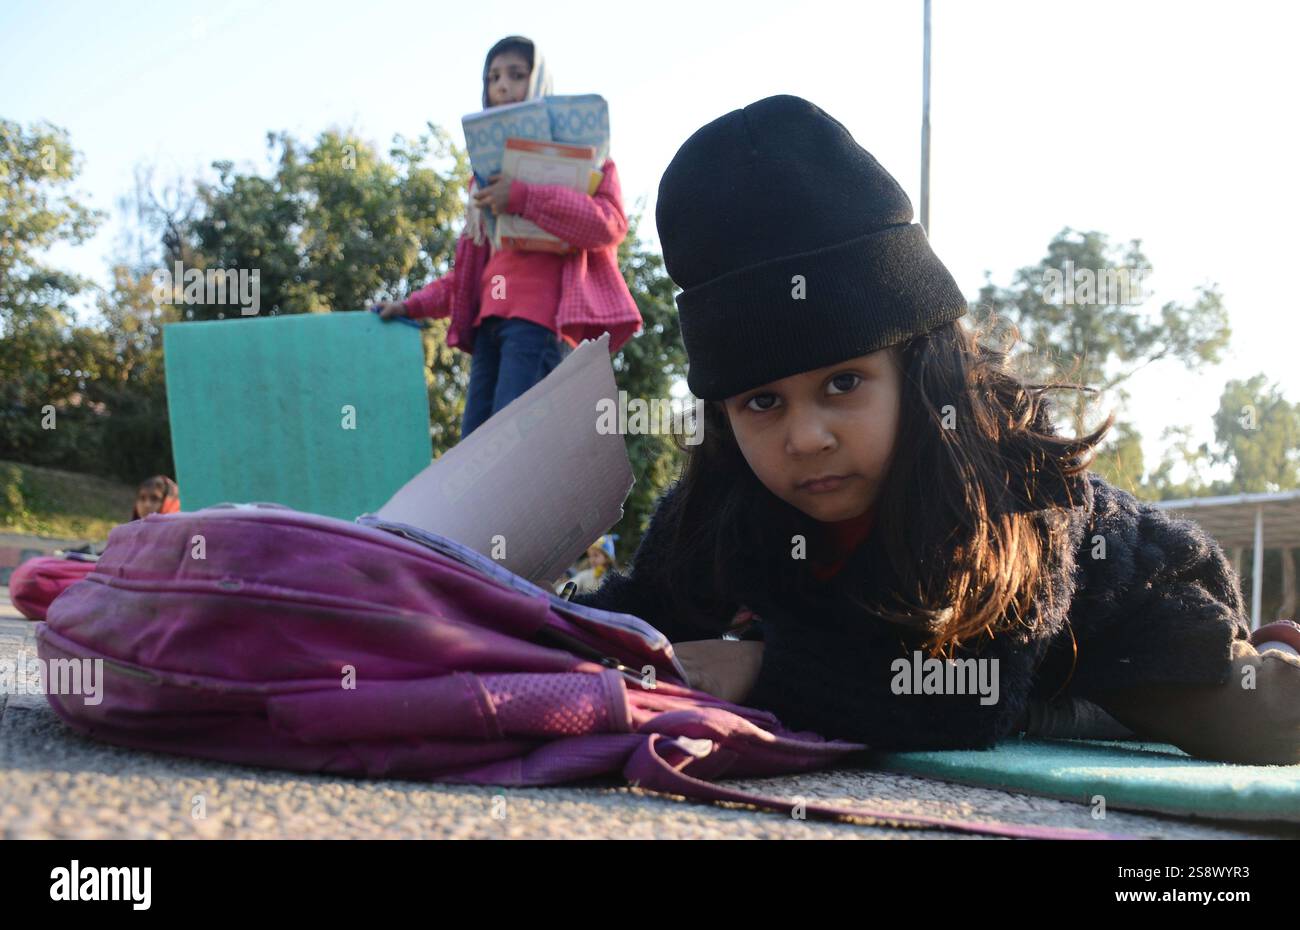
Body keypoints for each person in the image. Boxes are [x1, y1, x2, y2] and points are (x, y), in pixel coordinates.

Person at [572, 95, 1300, 765]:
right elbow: (640, 609)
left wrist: (763, 669)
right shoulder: (725, 497)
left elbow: (971, 693)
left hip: (1119, 622)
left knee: (1255, 724)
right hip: (942, 662)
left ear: (918, 369)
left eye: (843, 384)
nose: (807, 437)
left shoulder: (1004, 475)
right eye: (763, 402)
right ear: (724, 417)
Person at [377, 35, 642, 437]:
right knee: (475, 449)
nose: (501, 85)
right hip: (489, 328)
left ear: (539, 83)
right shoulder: (483, 182)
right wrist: (409, 305)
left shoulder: (589, 158)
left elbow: (608, 225)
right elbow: (464, 278)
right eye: (493, 77)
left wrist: (521, 196)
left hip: (539, 324)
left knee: (510, 448)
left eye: (516, 75)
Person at [9, 475, 181, 621]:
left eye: (154, 499)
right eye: (142, 498)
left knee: (38, 580)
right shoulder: (130, 531)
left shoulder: (176, 535)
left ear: (170, 503)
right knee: (34, 572)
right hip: (107, 577)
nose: (146, 505)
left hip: (127, 587)